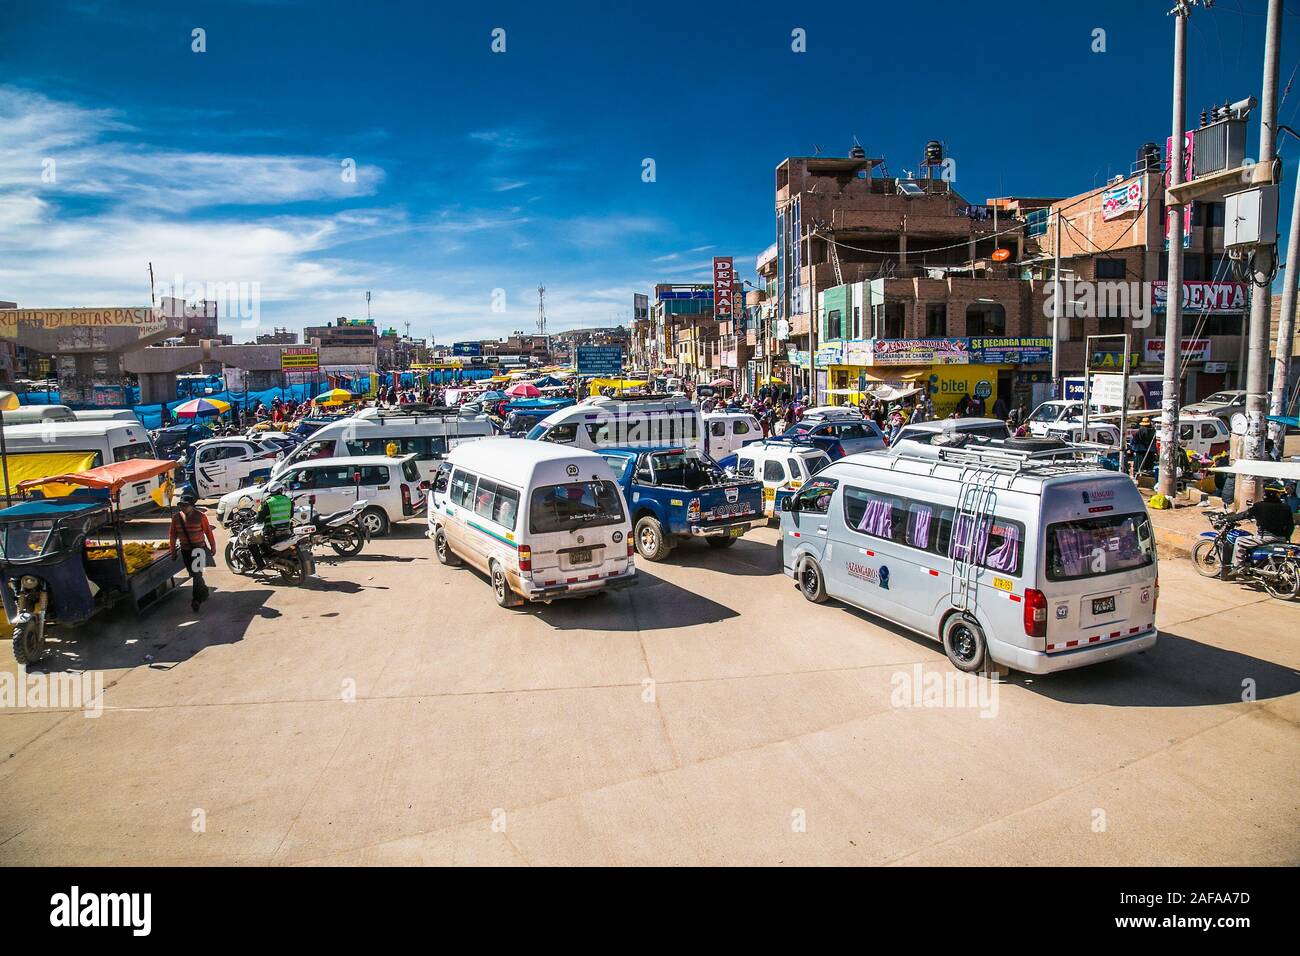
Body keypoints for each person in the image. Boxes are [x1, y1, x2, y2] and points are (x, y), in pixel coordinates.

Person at [1227, 485, 1295, 570]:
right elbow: (1291, 526)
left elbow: (1244, 515)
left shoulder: (1259, 506)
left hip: (1264, 538)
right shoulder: (1286, 507)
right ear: (1277, 495)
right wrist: (1286, 537)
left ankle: (1238, 566)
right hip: (1281, 539)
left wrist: (1228, 518)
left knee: (1239, 541)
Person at [169, 492, 216, 613]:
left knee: (197, 574)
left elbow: (208, 532)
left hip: (199, 550)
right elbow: (173, 535)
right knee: (194, 574)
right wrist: (173, 550)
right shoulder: (176, 518)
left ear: (192, 505)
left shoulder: (200, 516)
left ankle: (196, 600)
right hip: (185, 551)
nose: (183, 507)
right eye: (181, 505)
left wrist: (213, 546)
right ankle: (204, 591)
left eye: (185, 505)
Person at [253, 481, 296, 570]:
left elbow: (259, 519)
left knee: (251, 540)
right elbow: (291, 515)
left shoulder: (267, 502)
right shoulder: (288, 500)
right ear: (280, 490)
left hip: (271, 532)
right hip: (287, 530)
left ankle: (260, 564)